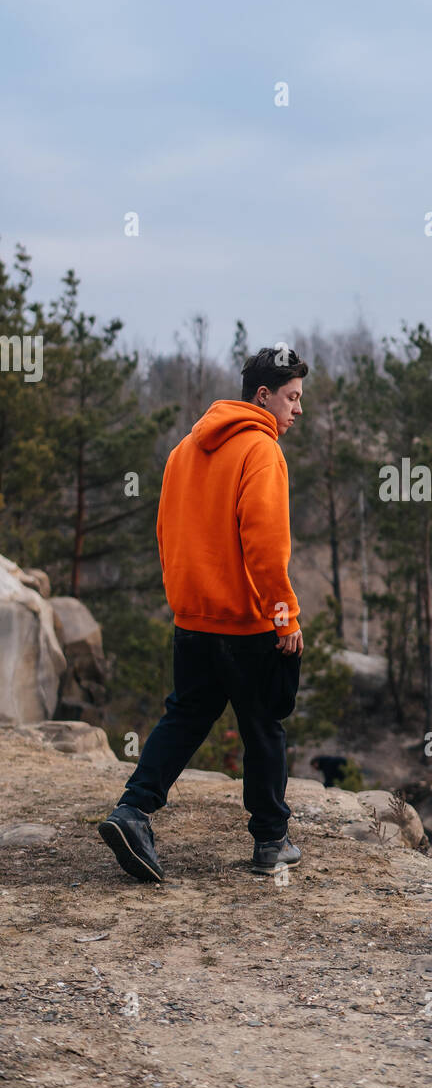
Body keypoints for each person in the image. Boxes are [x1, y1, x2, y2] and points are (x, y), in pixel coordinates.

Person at [98, 346, 307, 882]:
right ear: (263, 395)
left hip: (192, 620)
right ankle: (270, 842)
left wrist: (185, 601)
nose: (297, 410)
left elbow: (167, 534)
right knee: (263, 727)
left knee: (186, 715)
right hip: (246, 624)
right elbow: (264, 547)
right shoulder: (261, 450)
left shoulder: (184, 450)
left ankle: (133, 811)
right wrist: (285, 618)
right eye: (292, 397)